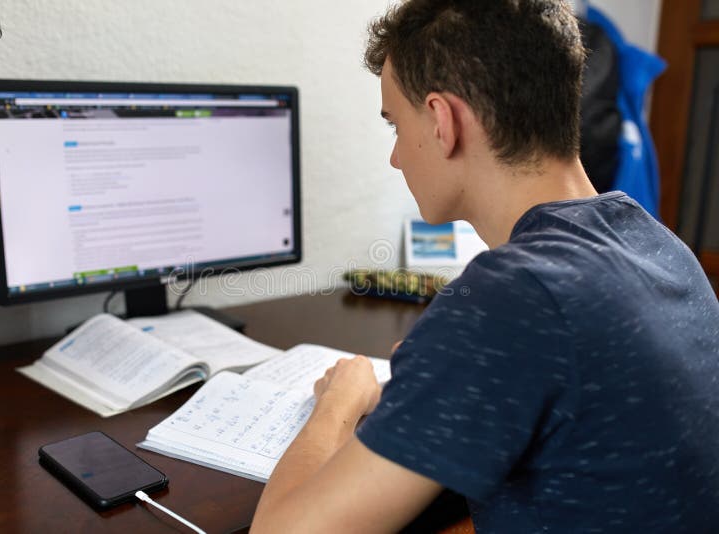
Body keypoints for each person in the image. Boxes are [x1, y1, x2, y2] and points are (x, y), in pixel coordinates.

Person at [250, 1, 719, 532]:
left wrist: (337, 403)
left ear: (443, 121)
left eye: (396, 125)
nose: (396, 157)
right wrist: (449, 367)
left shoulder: (516, 295)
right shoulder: (659, 245)